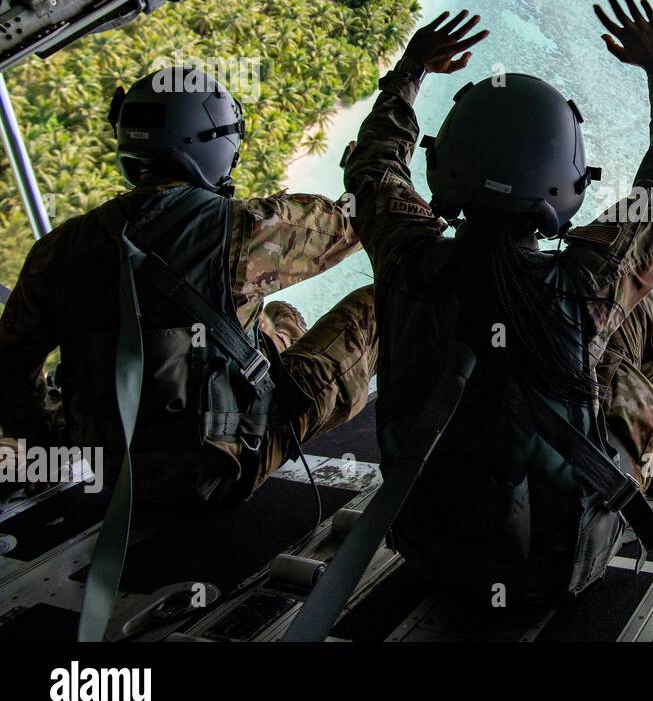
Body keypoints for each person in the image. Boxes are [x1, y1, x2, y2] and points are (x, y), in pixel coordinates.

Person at [343, 0, 653, 608]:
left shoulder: (405, 257)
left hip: (429, 550)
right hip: (562, 569)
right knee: (635, 310)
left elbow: (374, 168)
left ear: (445, 162)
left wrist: (411, 72)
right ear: (568, 180)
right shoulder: (591, 278)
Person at [0, 66, 377, 509]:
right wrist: (361, 176)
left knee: (281, 317)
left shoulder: (58, 248)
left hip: (116, 476)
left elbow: (9, 368)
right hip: (225, 469)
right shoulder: (245, 230)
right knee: (380, 303)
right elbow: (358, 223)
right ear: (217, 147)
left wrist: (54, 435)